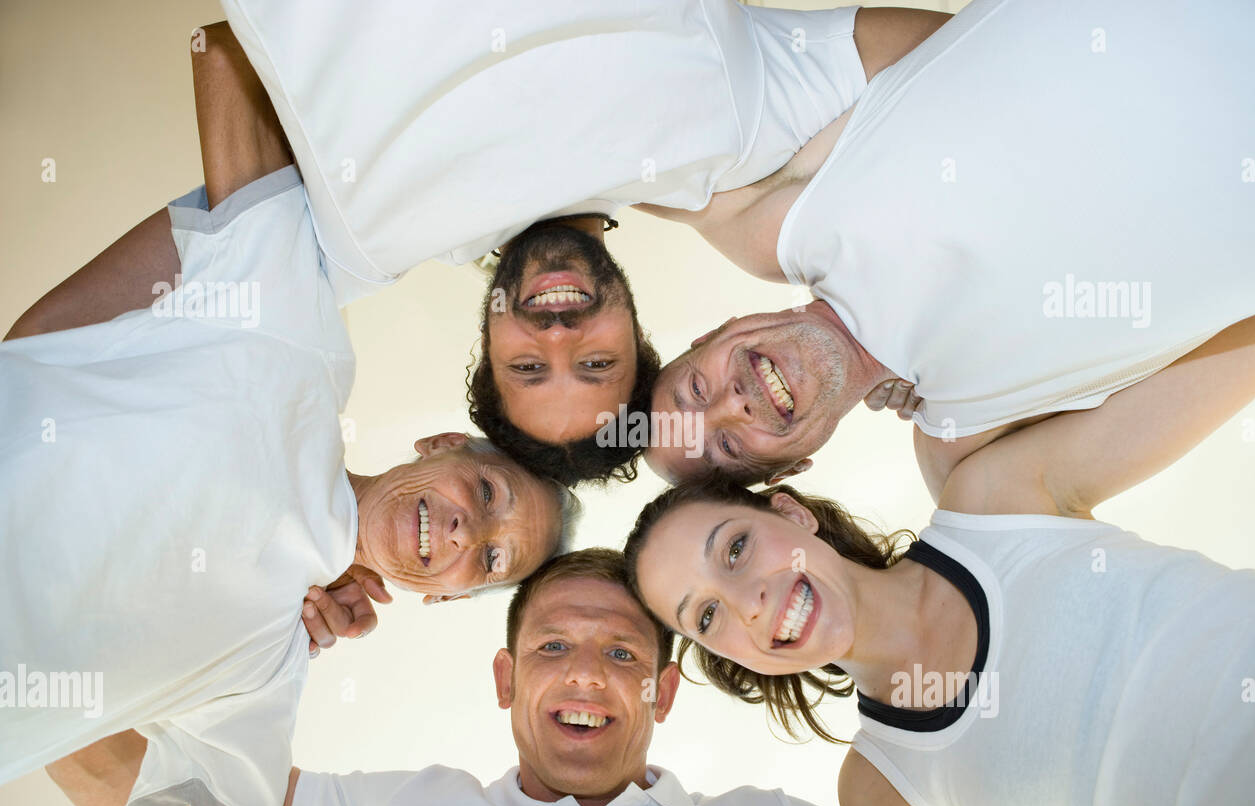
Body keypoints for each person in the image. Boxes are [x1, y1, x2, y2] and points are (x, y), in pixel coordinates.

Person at [0, 28, 576, 806]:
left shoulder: (270, 669)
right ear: (447, 443)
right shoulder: (302, 348)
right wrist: (350, 219)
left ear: (442, 599)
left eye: (487, 560)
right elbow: (222, 50)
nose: (462, 534)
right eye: (485, 498)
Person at [623, 300, 1255, 806]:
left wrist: (933, 352)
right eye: (705, 618)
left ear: (792, 513)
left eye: (736, 549)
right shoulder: (885, 796)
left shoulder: (991, 497)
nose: (747, 603)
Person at [214, 1, 950, 481]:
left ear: (488, 338)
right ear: (639, 334)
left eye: (529, 366)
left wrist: (341, 509)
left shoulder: (363, 242)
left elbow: (219, 56)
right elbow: (951, 71)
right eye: (596, 361)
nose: (558, 332)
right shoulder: (728, 149)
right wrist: (889, 334)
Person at [641, 0, 1255, 485]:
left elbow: (955, 53)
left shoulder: (773, 219)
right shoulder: (962, 443)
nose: (735, 403)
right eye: (729, 447)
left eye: (697, 392)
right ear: (793, 466)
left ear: (717, 332)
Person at [46, 550, 852, 806]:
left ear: (662, 692)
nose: (584, 677)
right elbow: (185, 803)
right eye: (551, 648)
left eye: (620, 654)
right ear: (504, 681)